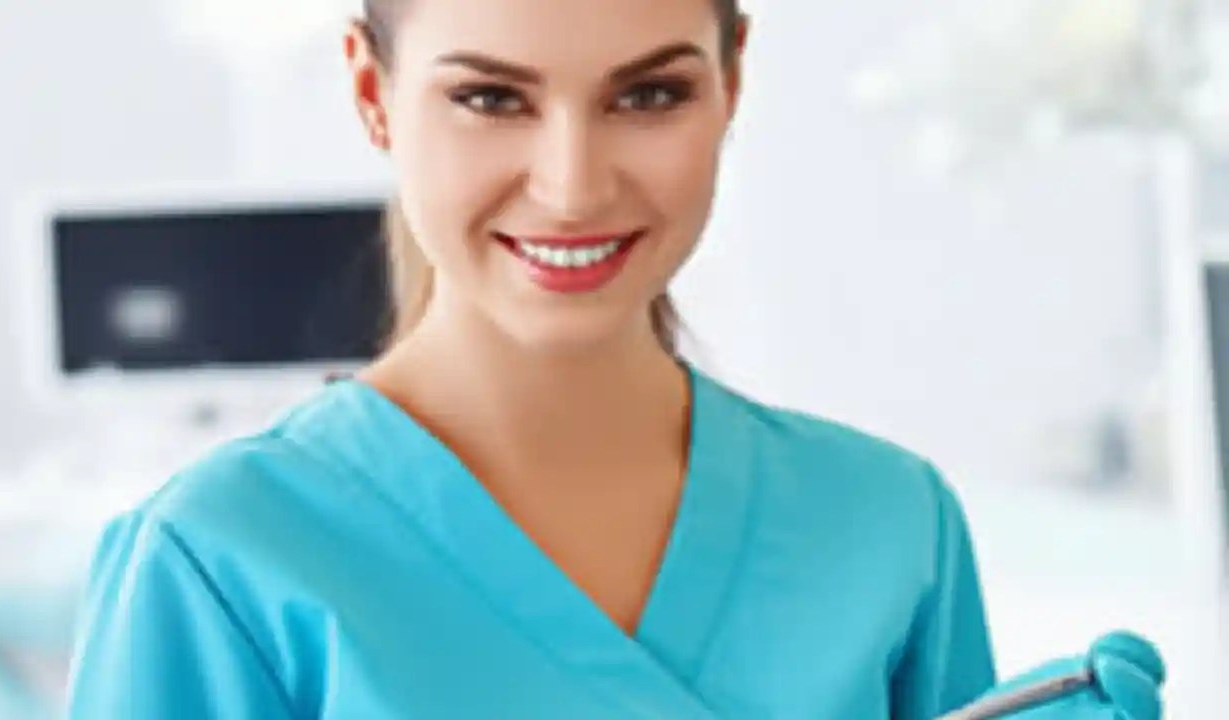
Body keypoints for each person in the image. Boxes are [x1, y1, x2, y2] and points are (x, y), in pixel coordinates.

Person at [63, 1, 1164, 717]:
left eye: (648, 95)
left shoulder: (886, 522)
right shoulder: (220, 562)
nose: (573, 184)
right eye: (489, 98)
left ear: (730, 83)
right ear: (371, 94)